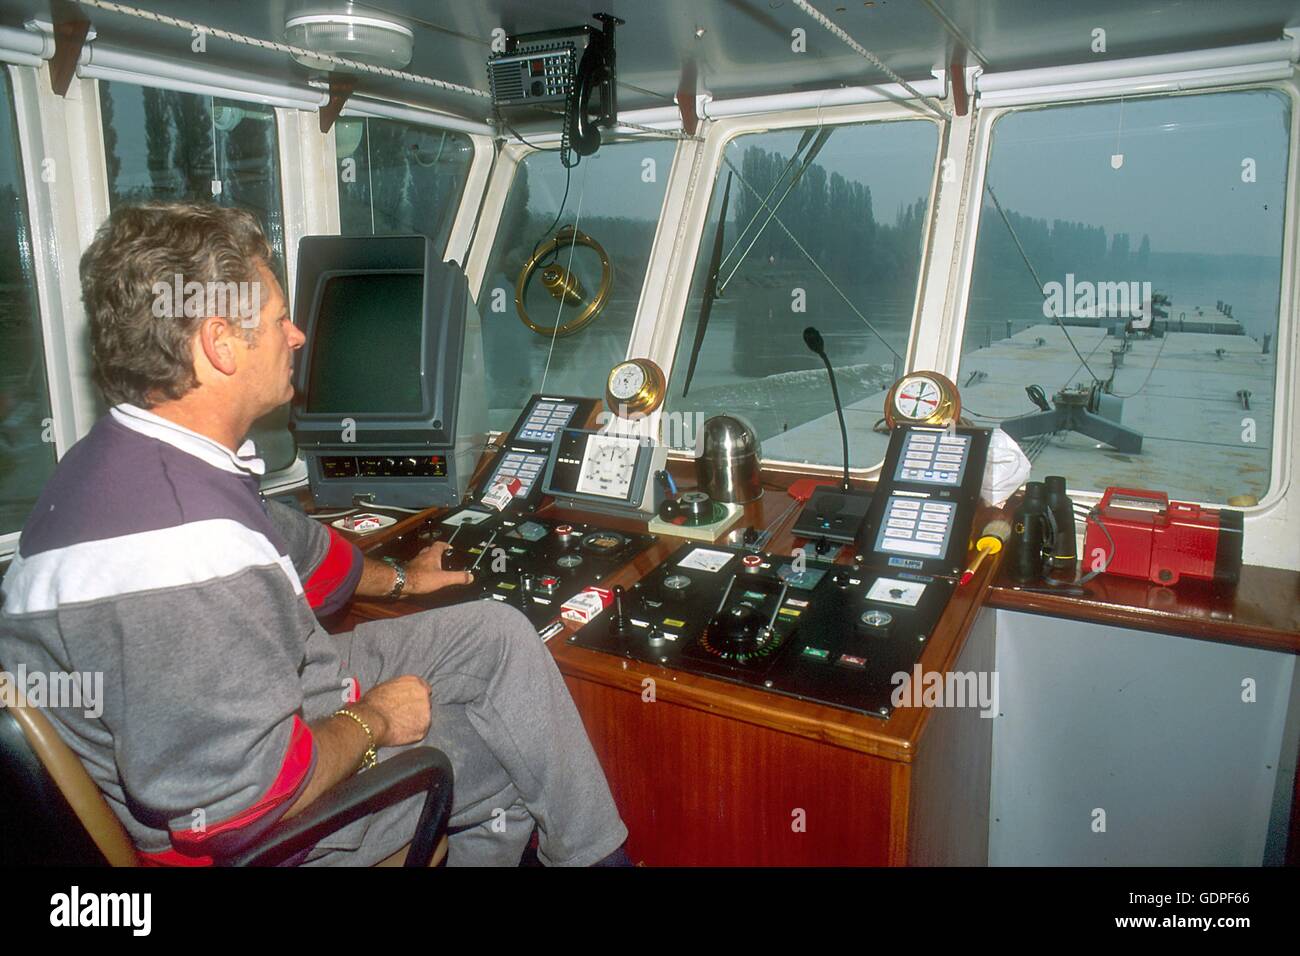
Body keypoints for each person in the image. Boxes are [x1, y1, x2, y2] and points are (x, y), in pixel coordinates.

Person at [0, 201, 629, 866]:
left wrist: (400, 578)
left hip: (266, 704)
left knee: (498, 635)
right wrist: (373, 720)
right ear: (219, 343)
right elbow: (237, 811)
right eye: (277, 321)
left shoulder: (134, 459)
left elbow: (287, 538)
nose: (297, 336)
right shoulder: (183, 555)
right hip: (269, 830)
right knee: (506, 749)